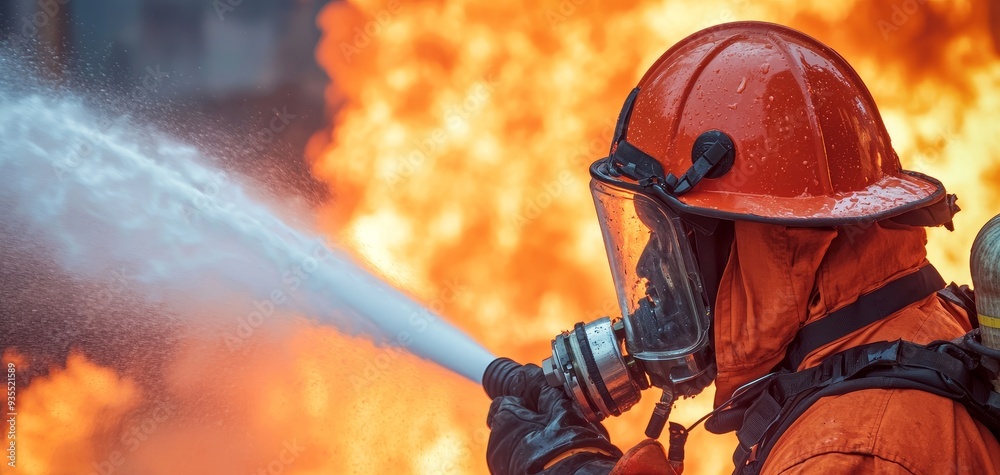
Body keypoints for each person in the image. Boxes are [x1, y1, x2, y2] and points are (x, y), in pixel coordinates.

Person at [485, 21, 1000, 474]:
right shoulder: (912, 330)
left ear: (758, 238)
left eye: (666, 238)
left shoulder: (853, 451)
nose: (646, 265)